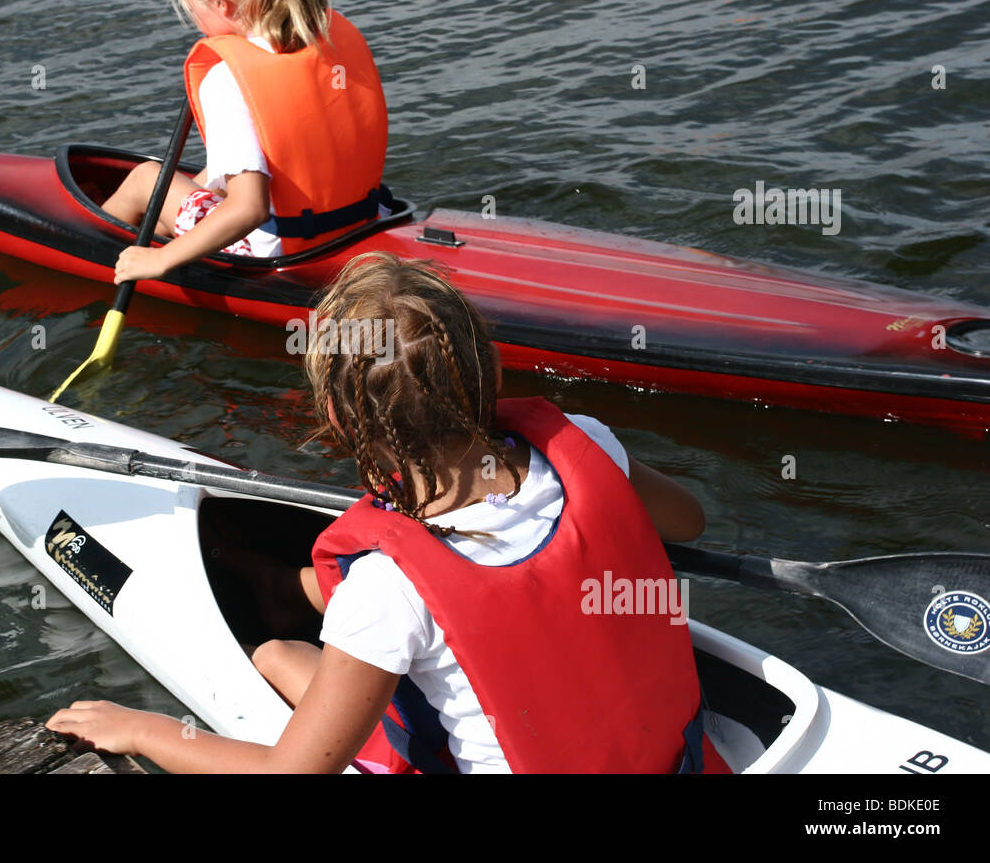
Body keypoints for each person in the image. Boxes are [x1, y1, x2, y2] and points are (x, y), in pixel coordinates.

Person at [47, 252, 729, 773]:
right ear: (488, 367)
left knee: (278, 653)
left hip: (406, 648)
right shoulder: (587, 443)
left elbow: (296, 772)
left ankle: (274, 608)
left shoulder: (388, 589)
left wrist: (141, 730)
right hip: (677, 756)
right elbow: (687, 522)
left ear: (344, 420)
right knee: (300, 648)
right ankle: (286, 599)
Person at [104, 0, 390, 285]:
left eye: (193, 9)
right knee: (204, 179)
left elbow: (249, 209)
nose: (195, 22)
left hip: (277, 248)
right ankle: (148, 235)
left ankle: (89, 249)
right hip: (367, 218)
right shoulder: (323, 30)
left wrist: (161, 262)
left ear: (221, 4)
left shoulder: (226, 81)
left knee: (145, 180)